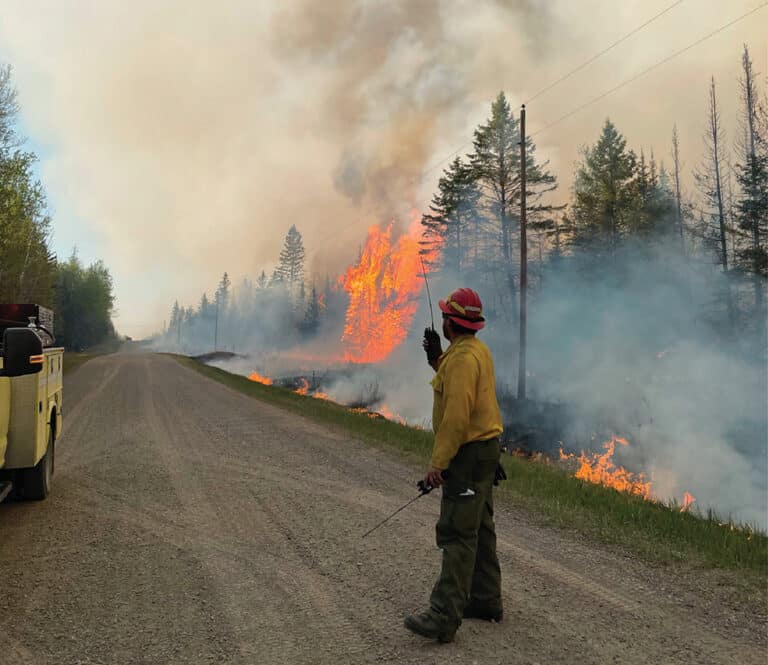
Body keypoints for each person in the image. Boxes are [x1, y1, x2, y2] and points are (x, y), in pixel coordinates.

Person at [404, 287, 504, 644]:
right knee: (480, 526)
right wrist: (436, 359)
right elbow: (460, 381)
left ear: (451, 322)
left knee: (457, 532)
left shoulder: (461, 360)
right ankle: (485, 599)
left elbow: (457, 417)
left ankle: (444, 615)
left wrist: (438, 463)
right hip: (486, 451)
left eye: (445, 315)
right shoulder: (473, 351)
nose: (442, 319)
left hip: (467, 452)